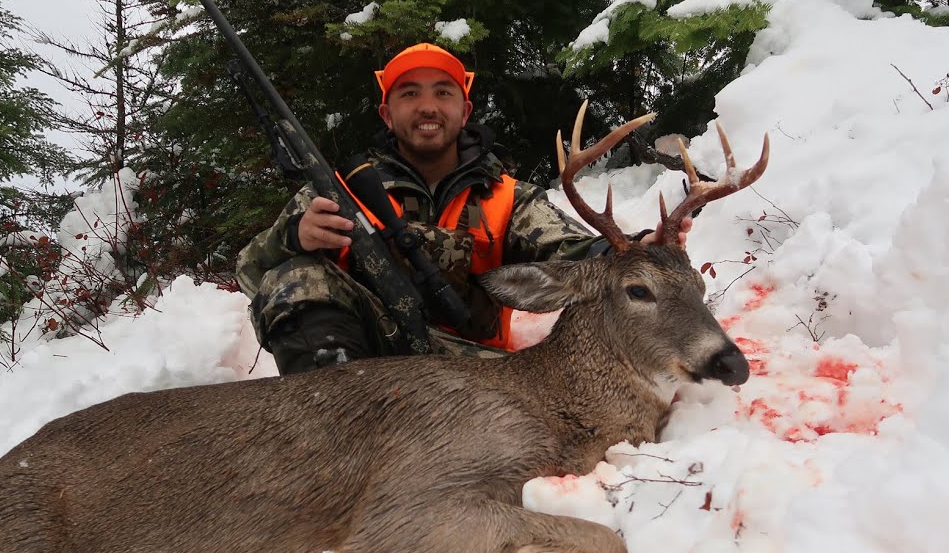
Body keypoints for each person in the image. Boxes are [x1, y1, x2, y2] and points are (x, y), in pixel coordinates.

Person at [235, 42, 684, 375]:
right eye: (409, 94)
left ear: (465, 110)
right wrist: (293, 236)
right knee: (295, 278)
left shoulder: (507, 197)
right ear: (387, 114)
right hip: (359, 374)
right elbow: (252, 271)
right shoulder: (340, 194)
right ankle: (328, 425)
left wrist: (636, 249)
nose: (427, 106)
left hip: (469, 373)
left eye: (442, 93)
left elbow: (574, 254)